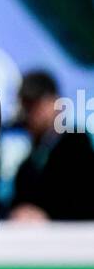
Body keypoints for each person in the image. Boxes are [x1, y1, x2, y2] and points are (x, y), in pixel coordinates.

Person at [9, 69, 94, 221]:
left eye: (36, 104)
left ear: (55, 102)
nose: (30, 113)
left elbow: (82, 198)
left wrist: (48, 217)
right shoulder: (29, 162)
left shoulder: (76, 144)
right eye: (26, 105)